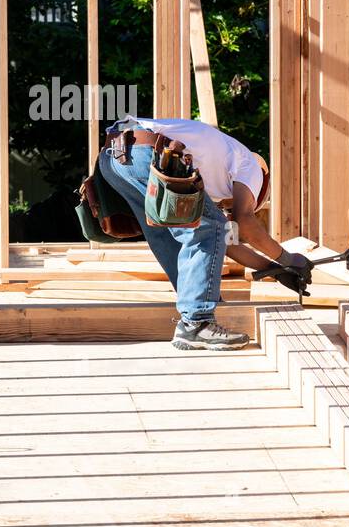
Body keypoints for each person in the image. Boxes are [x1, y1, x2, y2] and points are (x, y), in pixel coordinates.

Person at [97, 114, 312, 350]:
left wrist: (275, 270)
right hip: (145, 153)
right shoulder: (252, 167)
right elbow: (245, 221)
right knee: (211, 226)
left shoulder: (214, 166)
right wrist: (289, 259)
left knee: (166, 233)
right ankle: (196, 322)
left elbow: (226, 243)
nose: (228, 207)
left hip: (115, 157)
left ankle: (194, 310)